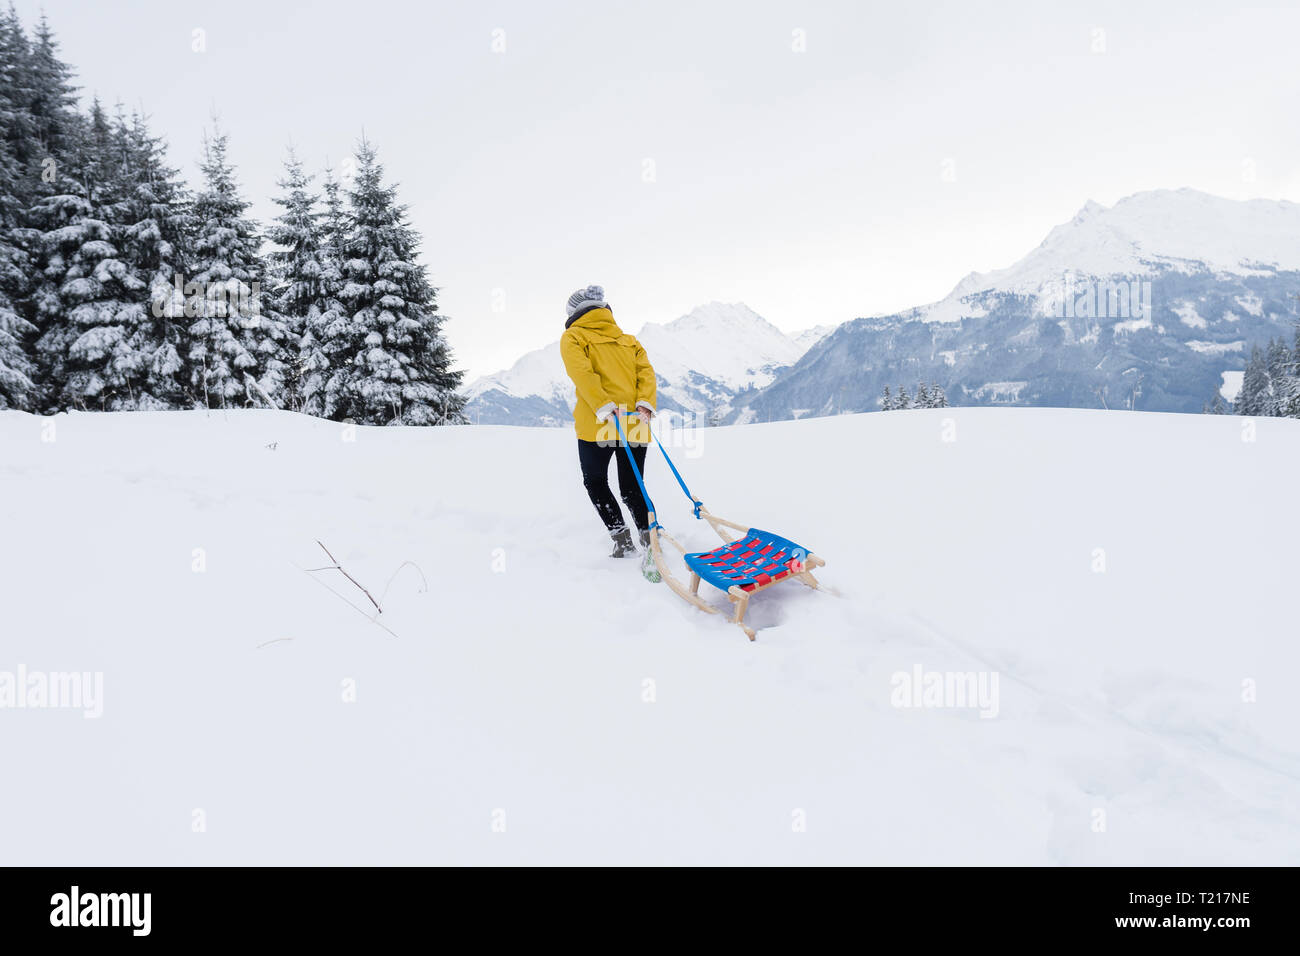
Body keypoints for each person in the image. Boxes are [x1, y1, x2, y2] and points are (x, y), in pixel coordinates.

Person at [559, 285, 657, 557]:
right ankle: (652, 542)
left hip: (597, 424)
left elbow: (583, 374)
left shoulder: (573, 337)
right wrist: (645, 405)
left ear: (573, 312)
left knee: (595, 481)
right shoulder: (629, 340)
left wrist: (603, 406)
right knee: (633, 486)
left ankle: (623, 540)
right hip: (634, 421)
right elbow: (645, 373)